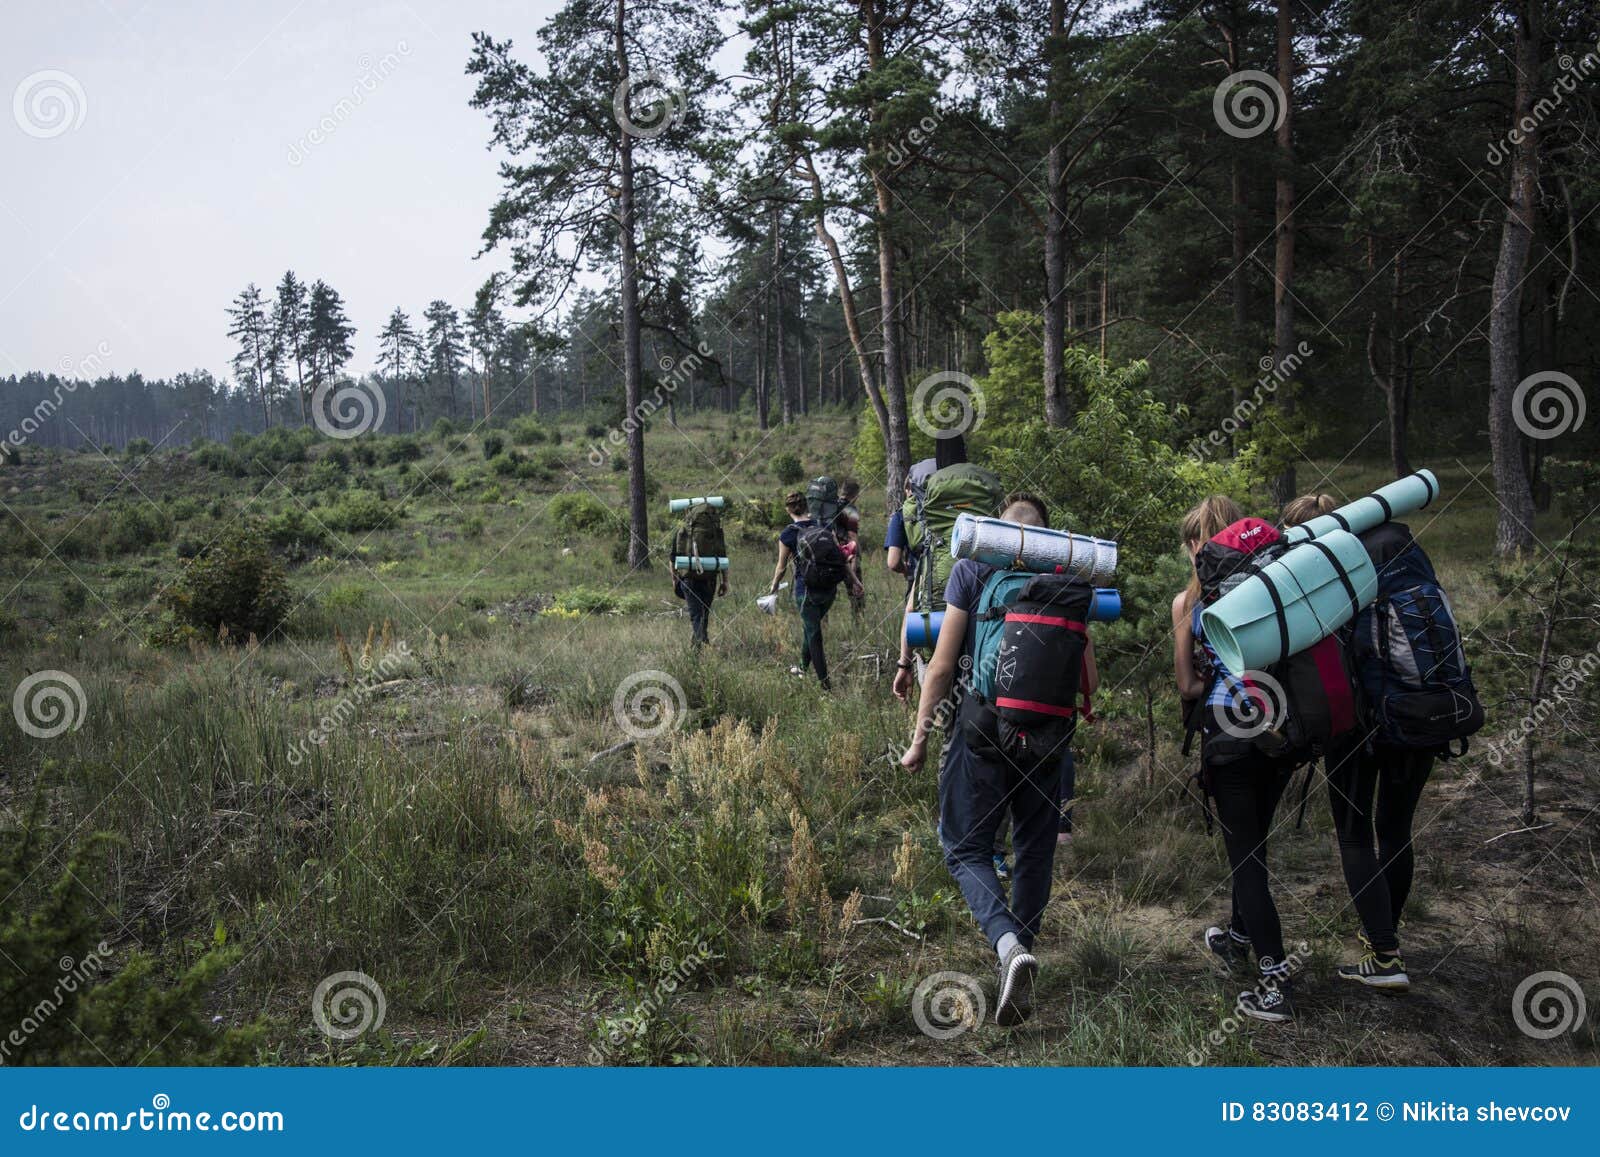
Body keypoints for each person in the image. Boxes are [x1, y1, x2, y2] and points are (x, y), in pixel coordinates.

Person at [899, 493, 1098, 1027]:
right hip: (1050, 733)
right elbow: (1089, 679)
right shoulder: (1067, 572)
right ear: (1044, 533)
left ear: (998, 530)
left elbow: (941, 669)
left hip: (982, 724)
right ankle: (1022, 955)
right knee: (1034, 849)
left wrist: (919, 739)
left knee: (965, 847)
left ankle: (1010, 950)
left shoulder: (971, 568)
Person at [1283, 492, 1426, 994]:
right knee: (1395, 828)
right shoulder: (1397, 557)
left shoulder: (1321, 575)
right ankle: (1382, 941)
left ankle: (1385, 955)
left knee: (1353, 831)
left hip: (1360, 724)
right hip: (1419, 712)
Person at [1173, 494, 1298, 1023]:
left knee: (1246, 860)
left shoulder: (1189, 604)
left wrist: (1212, 680)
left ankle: (1275, 980)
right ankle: (1239, 936)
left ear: (1199, 544)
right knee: (1255, 843)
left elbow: (1187, 683)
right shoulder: (1274, 588)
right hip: (1281, 733)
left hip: (1228, 739)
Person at [769, 491, 859, 690]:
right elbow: (842, 558)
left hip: (806, 591)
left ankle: (825, 687)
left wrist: (774, 586)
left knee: (814, 635)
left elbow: (781, 566)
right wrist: (854, 582)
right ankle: (801, 667)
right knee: (810, 629)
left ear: (788, 510)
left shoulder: (788, 534)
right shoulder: (824, 526)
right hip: (829, 590)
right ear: (807, 507)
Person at [673, 562, 727, 649]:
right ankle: (701, 644)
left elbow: (673, 559)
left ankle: (701, 644)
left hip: (689, 579)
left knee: (698, 615)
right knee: (703, 613)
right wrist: (724, 581)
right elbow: (723, 560)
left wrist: (674, 579)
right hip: (710, 580)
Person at [839, 480, 865, 622]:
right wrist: (854, 566)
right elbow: (852, 537)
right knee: (856, 593)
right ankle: (858, 624)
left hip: (830, 555)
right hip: (847, 556)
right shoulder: (851, 509)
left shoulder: (832, 507)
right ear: (855, 494)